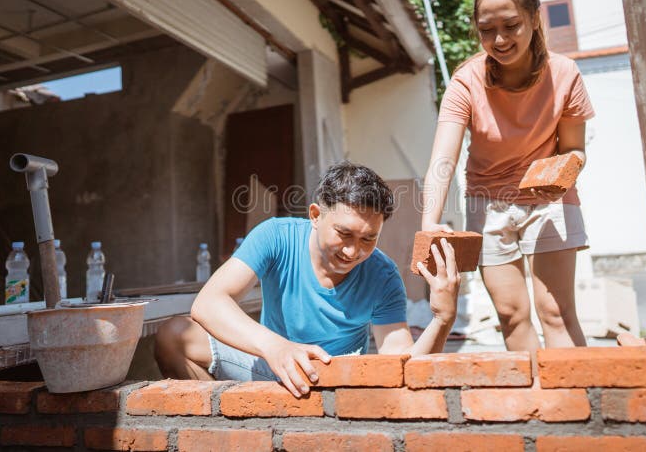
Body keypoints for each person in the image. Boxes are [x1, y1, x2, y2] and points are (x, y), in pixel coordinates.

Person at [155, 161, 460, 397]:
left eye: (369, 239)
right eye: (344, 234)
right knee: (173, 335)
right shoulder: (276, 236)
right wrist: (275, 347)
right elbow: (208, 304)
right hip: (270, 364)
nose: (353, 251)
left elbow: (402, 367)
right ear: (316, 215)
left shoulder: (383, 275)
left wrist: (442, 318)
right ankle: (228, 430)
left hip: (332, 384)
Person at [421, 0, 595, 356]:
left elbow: (574, 149)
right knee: (511, 314)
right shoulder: (466, 81)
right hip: (489, 204)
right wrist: (429, 221)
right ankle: (539, 408)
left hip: (549, 201)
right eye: (487, 29)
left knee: (556, 311)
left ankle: (579, 405)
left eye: (511, 25)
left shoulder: (564, 74)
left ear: (534, 18)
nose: (499, 39)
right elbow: (443, 158)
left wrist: (564, 171)